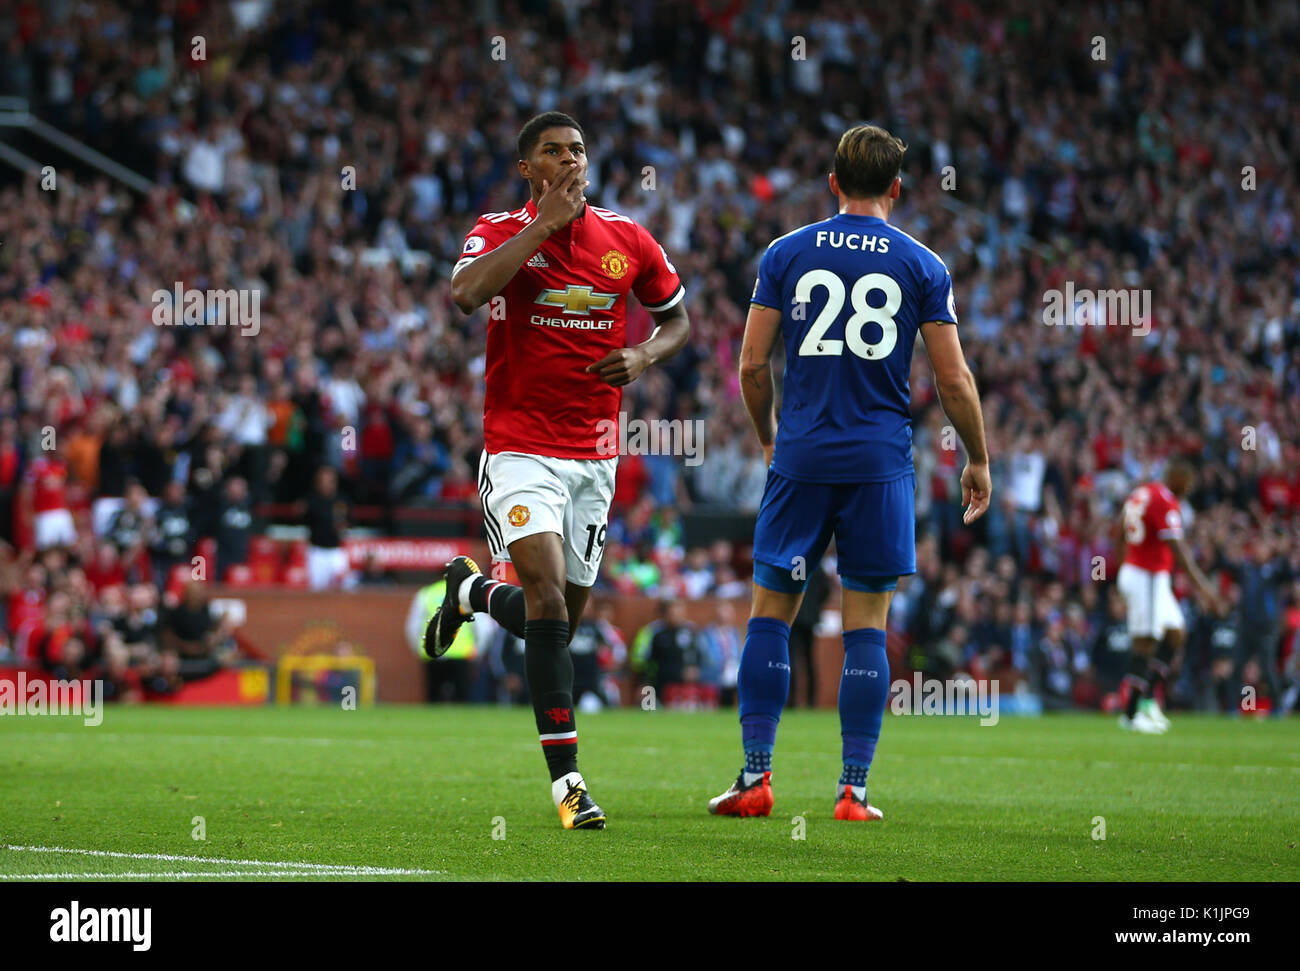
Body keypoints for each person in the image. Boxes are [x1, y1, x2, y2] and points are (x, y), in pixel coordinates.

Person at [708, 125, 991, 822]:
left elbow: (750, 364)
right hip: (880, 463)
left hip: (802, 455)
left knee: (770, 614)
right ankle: (853, 791)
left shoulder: (786, 252)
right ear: (897, 187)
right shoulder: (924, 265)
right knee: (866, 624)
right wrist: (978, 457)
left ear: (832, 182)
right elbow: (952, 377)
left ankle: (755, 778)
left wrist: (770, 437)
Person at [422, 111, 691, 830]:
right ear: (528, 168)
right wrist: (542, 226)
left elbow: (678, 321)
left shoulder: (627, 237)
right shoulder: (498, 227)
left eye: (577, 148)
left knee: (560, 624)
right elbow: (467, 293)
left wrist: (643, 356)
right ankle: (569, 783)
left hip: (594, 454)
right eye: (553, 150)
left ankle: (471, 592)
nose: (570, 158)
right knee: (543, 599)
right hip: (519, 447)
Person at [1115, 459, 1222, 733]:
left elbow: (1119, 531)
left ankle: (1148, 700)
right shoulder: (1165, 499)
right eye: (1188, 480)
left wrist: (1122, 568)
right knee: (1146, 641)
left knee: (1175, 633)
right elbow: (1176, 547)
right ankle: (1131, 713)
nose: (1190, 487)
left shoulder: (1143, 492)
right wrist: (1204, 587)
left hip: (1149, 575)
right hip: (1146, 575)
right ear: (1175, 476)